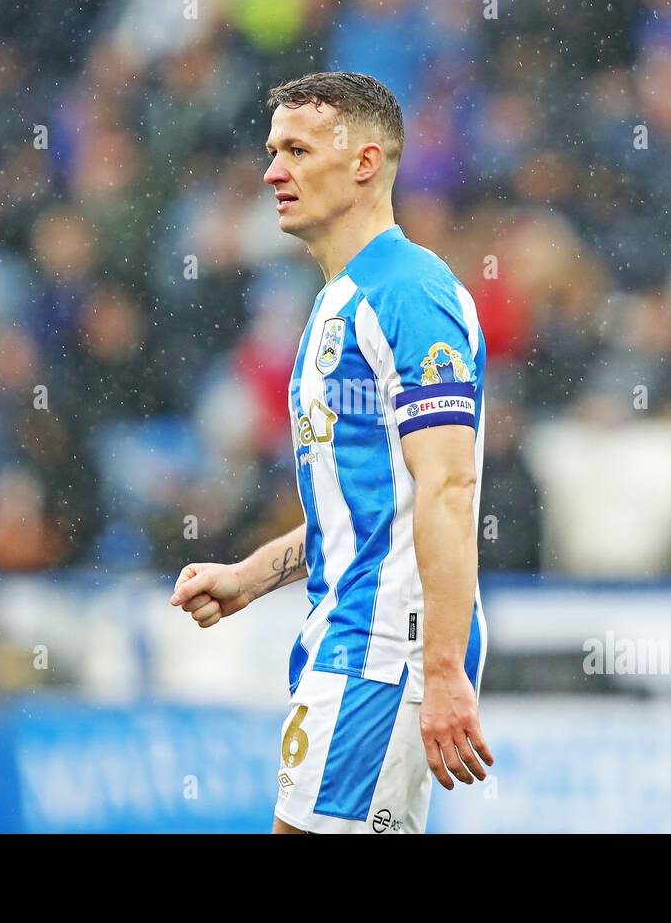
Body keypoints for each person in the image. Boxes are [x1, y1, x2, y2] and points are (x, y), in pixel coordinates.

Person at [170, 72, 491, 834]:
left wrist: (442, 670)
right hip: (349, 644)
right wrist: (250, 577)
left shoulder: (410, 294)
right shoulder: (333, 305)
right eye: (272, 150)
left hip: (383, 654)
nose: (272, 171)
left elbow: (448, 488)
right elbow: (369, 510)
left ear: (364, 163)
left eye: (296, 150)